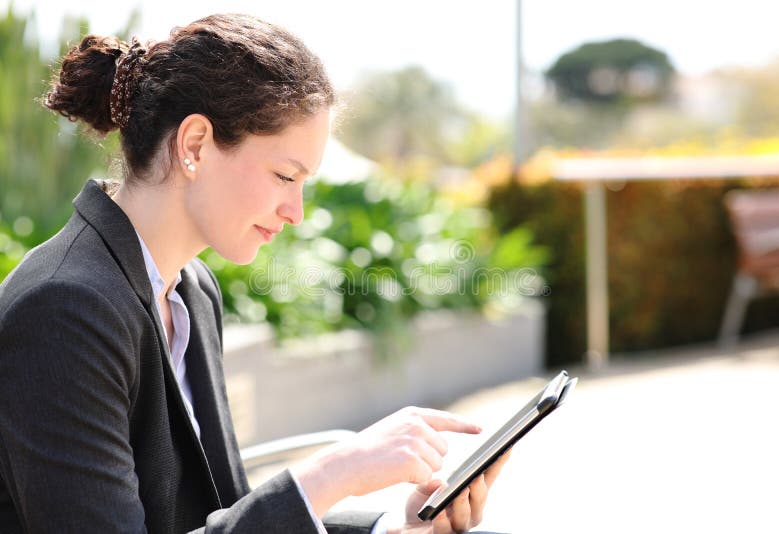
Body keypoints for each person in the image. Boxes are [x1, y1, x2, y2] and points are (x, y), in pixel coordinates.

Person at [0, 13, 510, 534]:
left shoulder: (192, 292)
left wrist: (392, 529)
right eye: (285, 176)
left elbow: (219, 517)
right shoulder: (63, 309)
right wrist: (329, 473)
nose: (297, 211)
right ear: (194, 144)